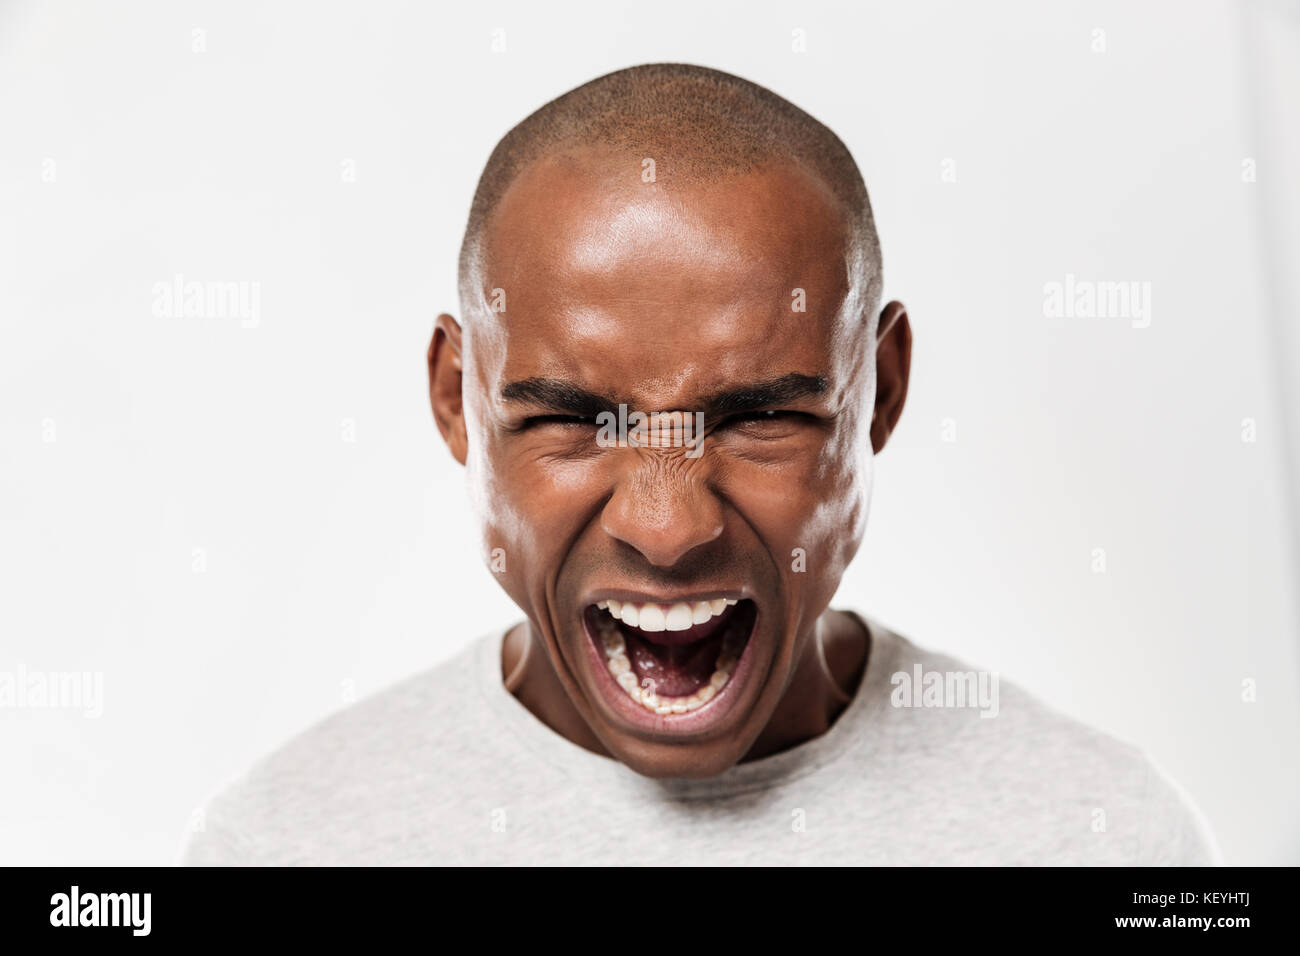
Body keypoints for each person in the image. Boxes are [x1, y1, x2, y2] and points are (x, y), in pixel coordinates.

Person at [183, 63, 1219, 865]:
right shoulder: (285, 844)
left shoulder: (1100, 836)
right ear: (457, 398)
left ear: (881, 390)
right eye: (578, 417)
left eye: (759, 414)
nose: (668, 526)